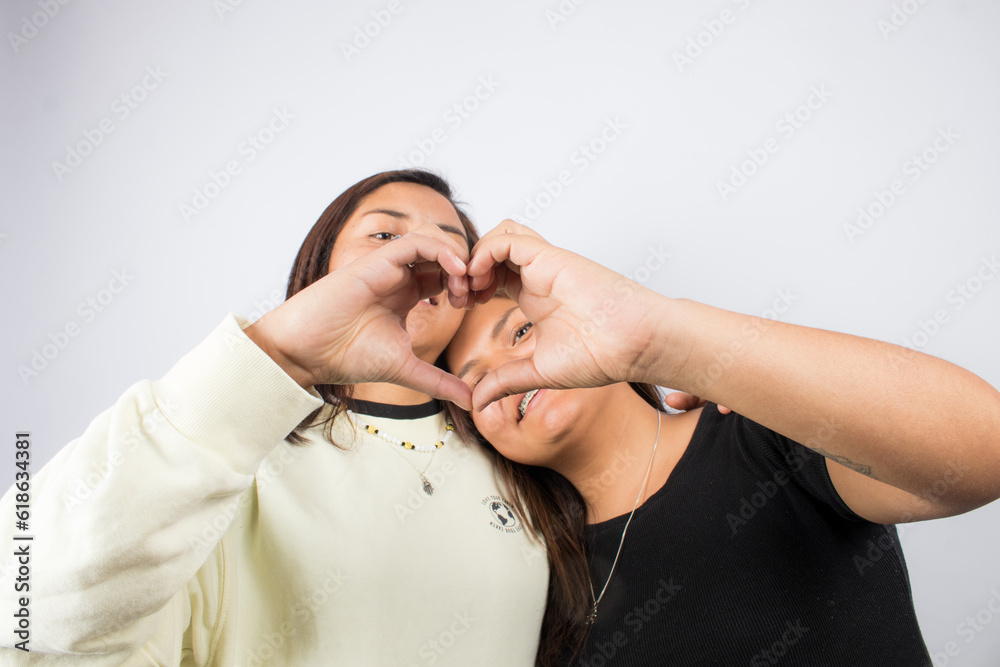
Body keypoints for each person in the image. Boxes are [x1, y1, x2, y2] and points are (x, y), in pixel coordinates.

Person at [1, 171, 560, 665]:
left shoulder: (518, 451)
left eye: (449, 243)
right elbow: (24, 608)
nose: (422, 254)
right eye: (385, 235)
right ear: (319, 273)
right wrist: (278, 352)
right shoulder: (226, 457)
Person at [443, 220, 1000, 665]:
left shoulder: (762, 432)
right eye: (477, 382)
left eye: (520, 332)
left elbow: (985, 448)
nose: (511, 372)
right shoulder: (528, 581)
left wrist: (661, 340)